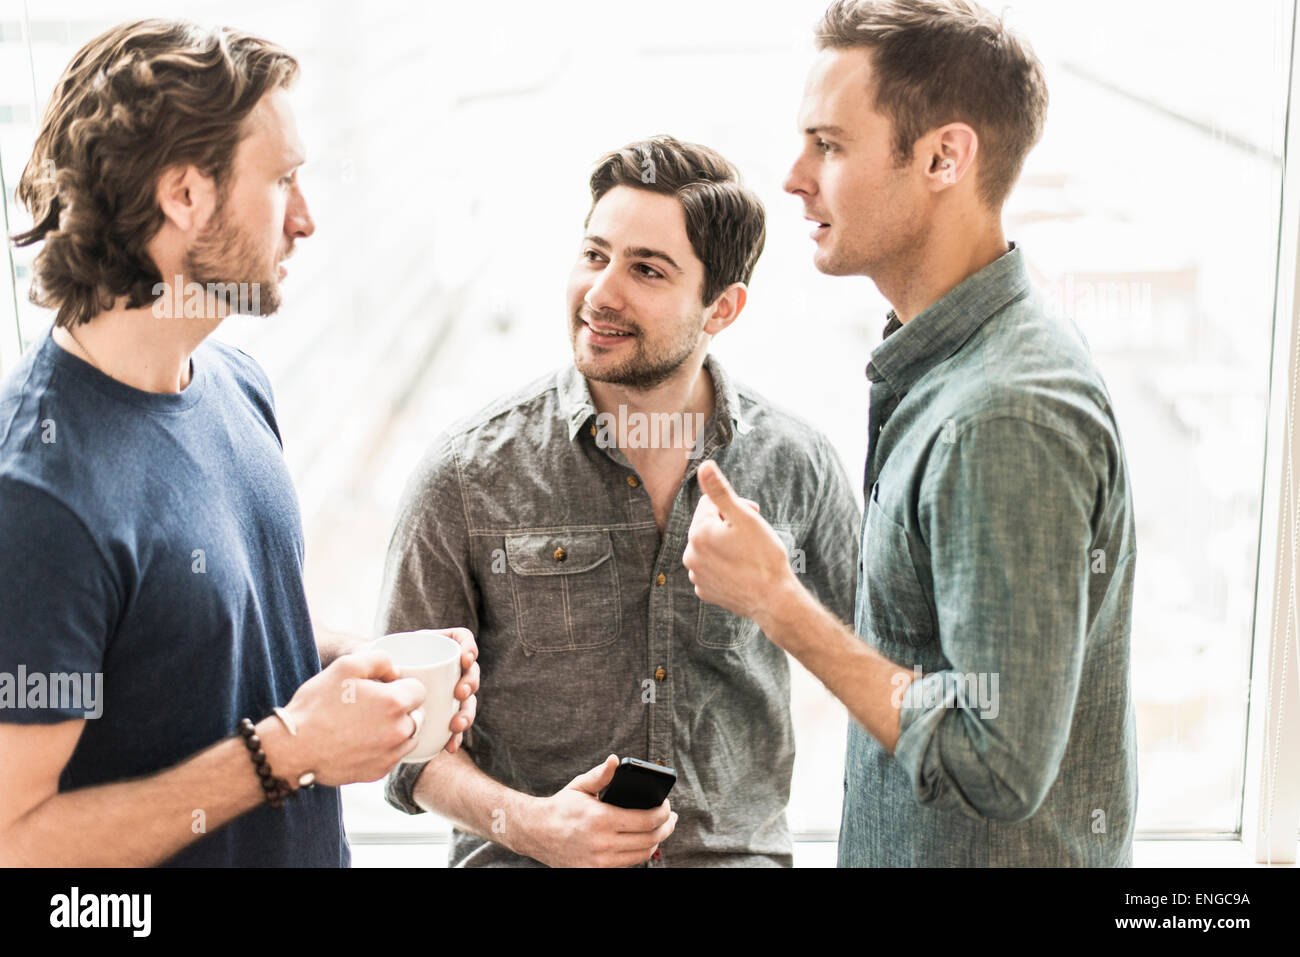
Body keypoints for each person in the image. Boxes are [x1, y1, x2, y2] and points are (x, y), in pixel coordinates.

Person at [0, 18, 478, 867]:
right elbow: (16, 839)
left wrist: (360, 663)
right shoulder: (39, 498)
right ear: (186, 195)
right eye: (283, 181)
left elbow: (218, 646)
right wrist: (288, 752)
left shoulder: (231, 382)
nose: (307, 219)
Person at [683, 0, 1138, 866]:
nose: (792, 175)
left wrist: (777, 601)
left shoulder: (1001, 415)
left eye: (830, 144)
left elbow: (995, 758)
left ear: (943, 157)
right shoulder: (956, 360)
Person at [378, 135, 860, 867]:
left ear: (722, 308)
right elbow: (403, 742)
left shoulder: (798, 466)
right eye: (595, 255)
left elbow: (879, 672)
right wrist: (530, 823)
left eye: (647, 269)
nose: (601, 292)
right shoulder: (465, 476)